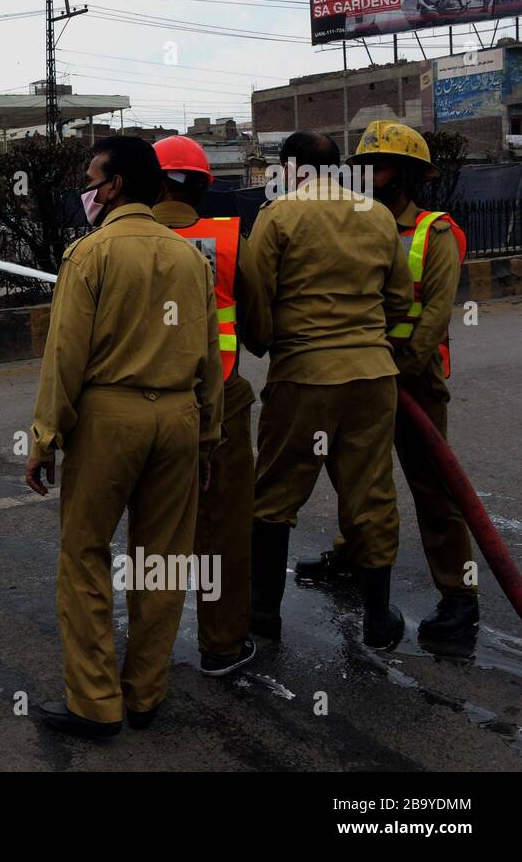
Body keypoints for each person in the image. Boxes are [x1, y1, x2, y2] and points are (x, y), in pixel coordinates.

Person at [26, 136, 223, 737]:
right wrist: (207, 438)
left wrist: (44, 437)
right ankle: (144, 694)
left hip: (110, 420)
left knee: (85, 555)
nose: (87, 189)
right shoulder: (190, 258)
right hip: (178, 419)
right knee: (161, 563)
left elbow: (65, 357)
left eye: (92, 179)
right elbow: (209, 357)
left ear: (113, 187)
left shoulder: (88, 255)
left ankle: (94, 702)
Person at [296, 122, 475, 638]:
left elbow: (436, 315)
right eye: (364, 166)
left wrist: (400, 371)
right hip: (361, 375)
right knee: (355, 478)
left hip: (410, 379)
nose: (368, 175)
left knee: (433, 488)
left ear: (409, 174)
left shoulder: (435, 232)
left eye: (379, 166)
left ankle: (460, 598)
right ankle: (354, 560)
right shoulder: (354, 223)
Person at [241, 130, 413, 649]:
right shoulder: (377, 215)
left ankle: (264, 616)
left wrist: (268, 344)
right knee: (371, 494)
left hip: (304, 377)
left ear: (289, 168)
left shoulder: (278, 217)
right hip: (373, 377)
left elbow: (257, 301)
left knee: (274, 497)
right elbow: (401, 300)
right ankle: (379, 620)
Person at [151, 135, 258, 676]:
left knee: (154, 529)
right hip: (220, 403)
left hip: (145, 407)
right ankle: (221, 646)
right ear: (205, 187)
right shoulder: (229, 237)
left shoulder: (113, 241)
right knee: (222, 529)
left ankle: (149, 658)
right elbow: (259, 328)